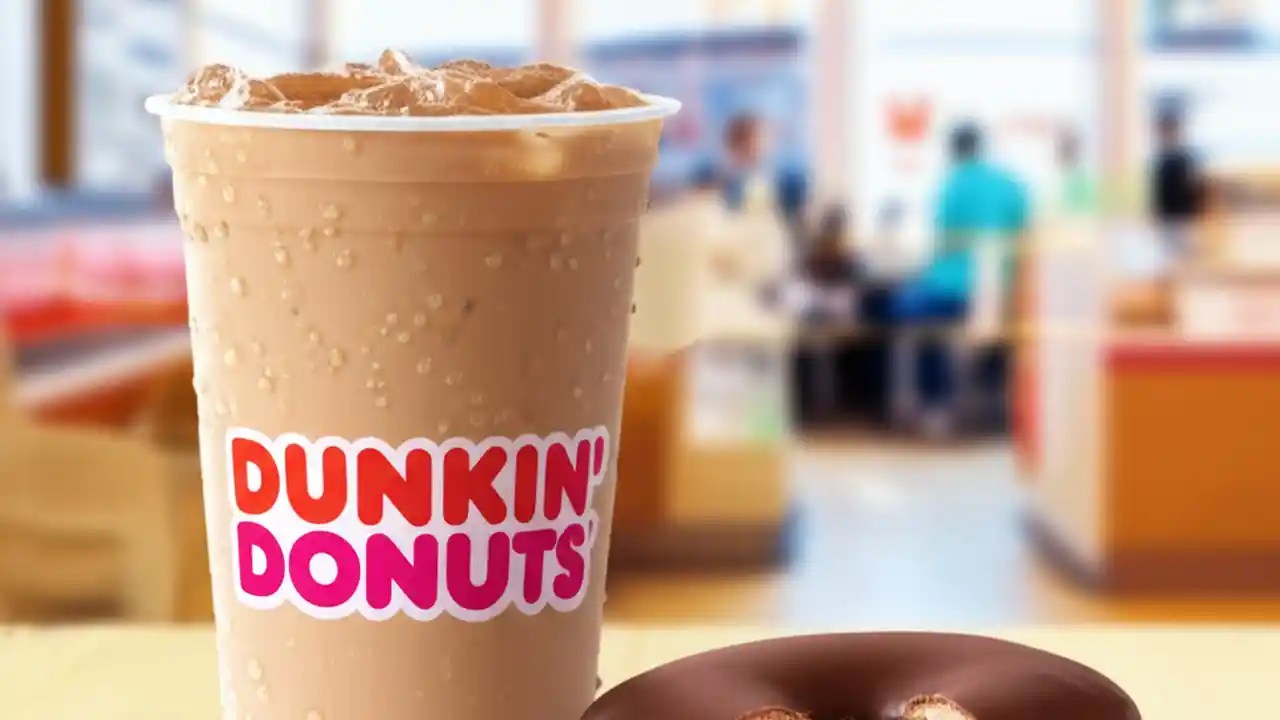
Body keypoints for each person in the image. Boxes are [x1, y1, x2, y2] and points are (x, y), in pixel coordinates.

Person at [1151, 108, 1205, 254]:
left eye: (1167, 129)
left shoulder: (1185, 159)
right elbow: (1157, 195)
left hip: (1183, 222)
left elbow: (1197, 192)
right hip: (1166, 223)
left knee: (1181, 256)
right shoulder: (1160, 159)